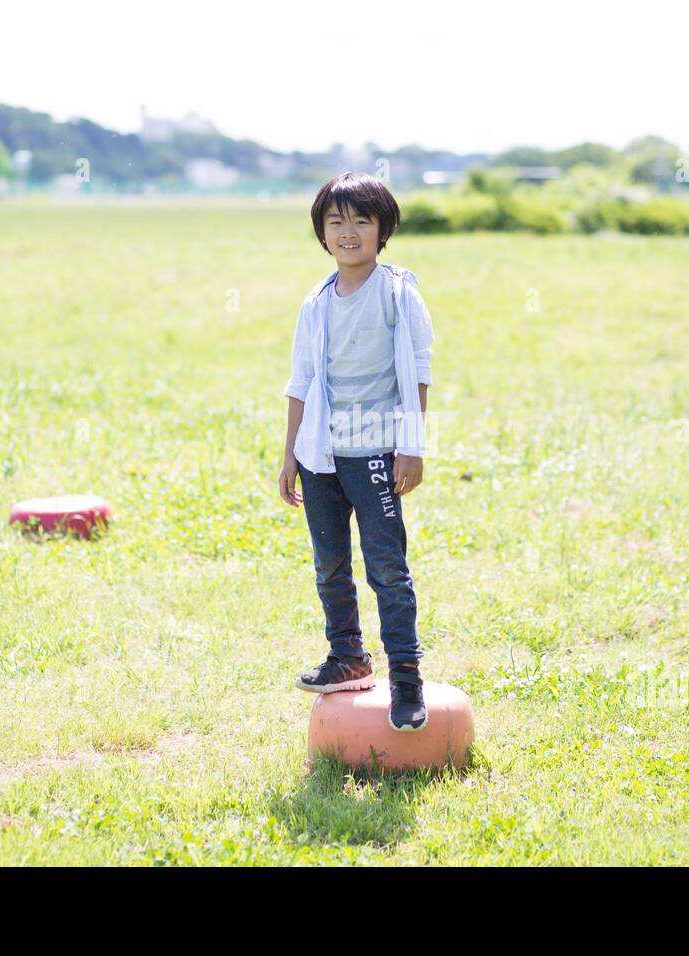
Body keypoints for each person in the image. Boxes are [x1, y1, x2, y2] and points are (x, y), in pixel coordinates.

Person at [278, 172, 435, 732]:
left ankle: (407, 680)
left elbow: (418, 373)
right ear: (322, 232)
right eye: (336, 221)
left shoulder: (397, 294)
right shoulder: (316, 302)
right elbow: (299, 381)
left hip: (374, 451)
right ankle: (347, 656)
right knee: (330, 565)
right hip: (321, 455)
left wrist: (411, 448)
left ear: (382, 229)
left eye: (361, 220)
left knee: (388, 568)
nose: (348, 232)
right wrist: (291, 452)